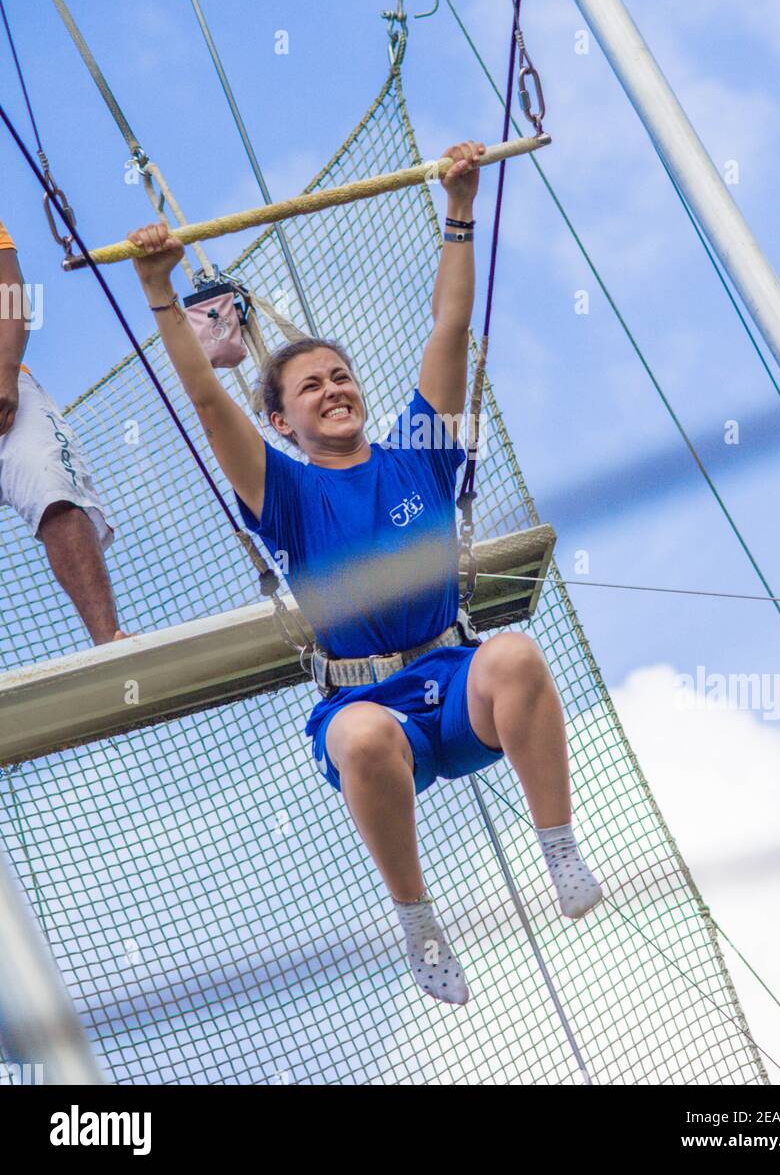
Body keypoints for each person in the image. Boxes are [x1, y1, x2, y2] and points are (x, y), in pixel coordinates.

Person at [128, 142, 602, 1005]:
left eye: (341, 376)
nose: (333, 390)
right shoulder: (286, 492)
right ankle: (419, 921)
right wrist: (161, 290)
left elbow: (448, 329)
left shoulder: (419, 458)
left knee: (520, 657)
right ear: (279, 419)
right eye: (309, 388)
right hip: (365, 703)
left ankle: (560, 850)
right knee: (366, 738)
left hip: (457, 681)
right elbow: (205, 399)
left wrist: (459, 205)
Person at [0, 218, 124, 647]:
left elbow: (10, 292)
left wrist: (4, 378)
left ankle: (109, 643)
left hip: (5, 391)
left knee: (50, 485)